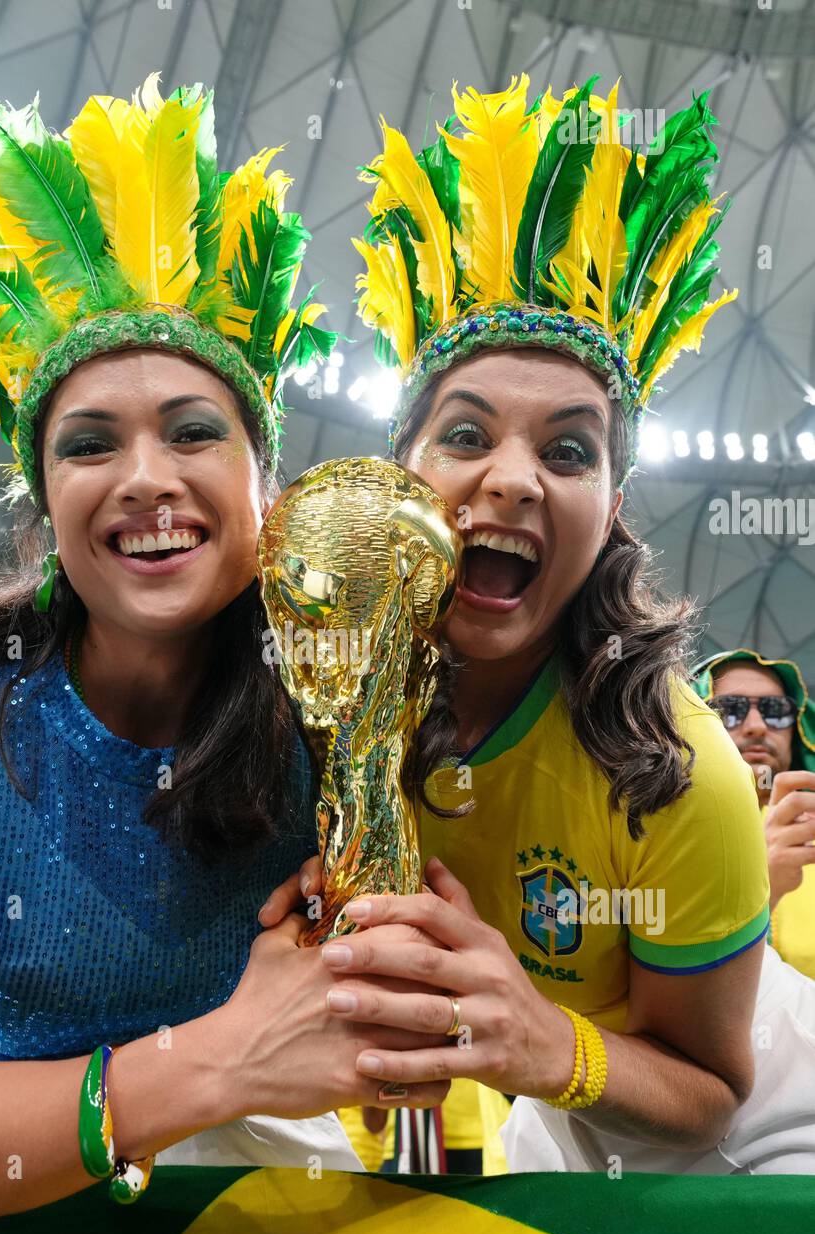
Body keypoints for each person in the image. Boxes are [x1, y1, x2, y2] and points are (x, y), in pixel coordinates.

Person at [0, 76, 452, 1234]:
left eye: (195, 430)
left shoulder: (335, 714)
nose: (147, 476)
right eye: (89, 443)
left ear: (265, 487)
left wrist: (398, 990)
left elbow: (399, 1072)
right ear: (46, 502)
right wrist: (221, 1062)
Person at [291, 72, 815, 1174]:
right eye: (466, 434)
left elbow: (710, 1096)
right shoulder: (306, 696)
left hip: (743, 1126)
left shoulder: (680, 774)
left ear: (612, 510)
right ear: (400, 477)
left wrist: (540, 1039)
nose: (514, 481)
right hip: (538, 1110)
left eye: (569, 450)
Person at [691, 650, 815, 981]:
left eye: (776, 711)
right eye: (730, 710)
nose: (757, 727)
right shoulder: (651, 832)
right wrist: (763, 885)